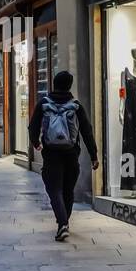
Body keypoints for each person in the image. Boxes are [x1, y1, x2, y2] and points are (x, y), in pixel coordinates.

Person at [29, 69, 99, 241]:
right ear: (69, 85)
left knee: (54, 189)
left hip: (51, 153)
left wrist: (36, 143)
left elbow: (33, 126)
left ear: (54, 83)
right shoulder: (76, 105)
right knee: (68, 190)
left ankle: (63, 223)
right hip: (71, 154)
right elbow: (87, 131)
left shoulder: (43, 103)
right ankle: (64, 222)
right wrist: (94, 156)